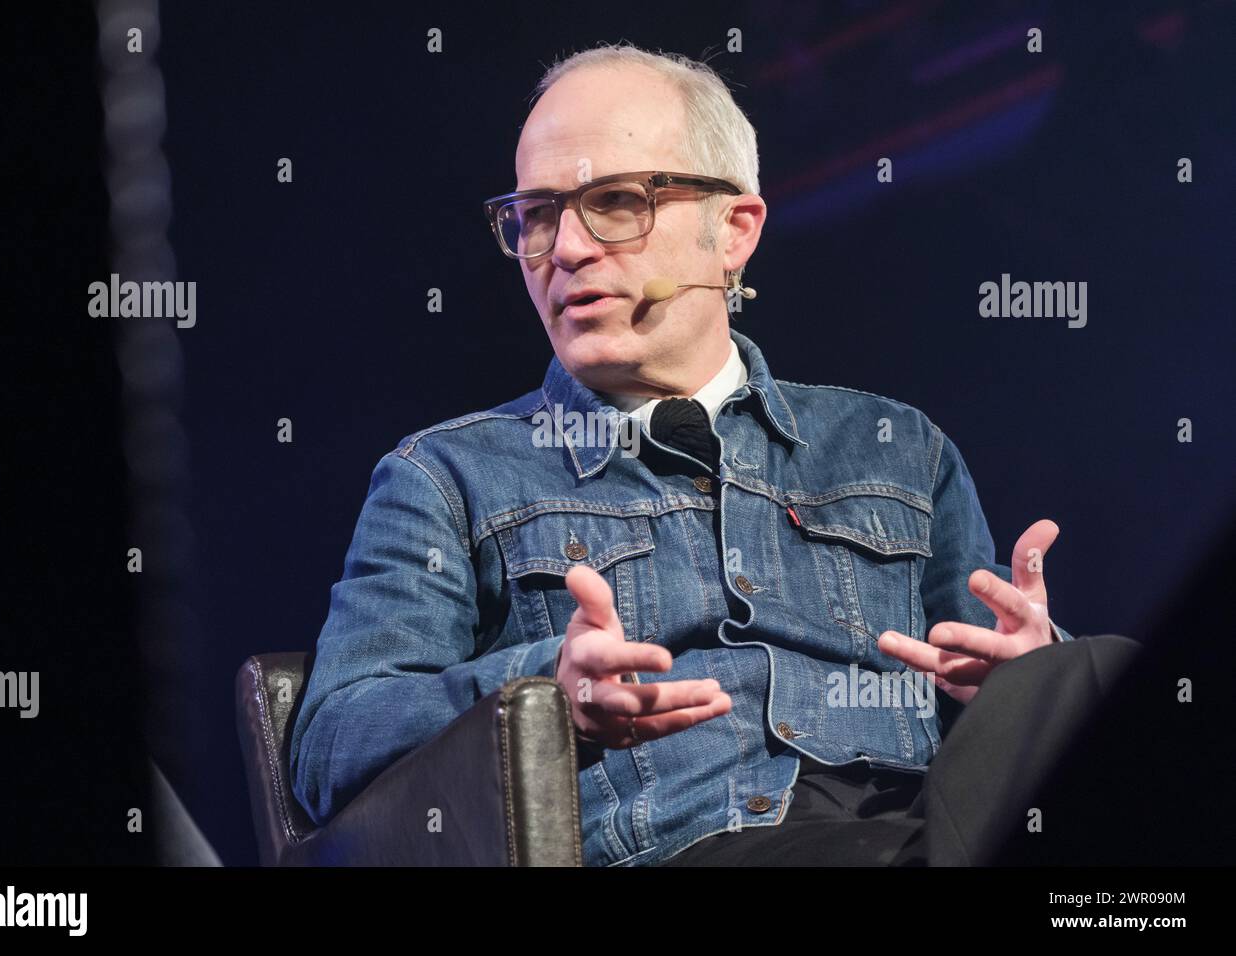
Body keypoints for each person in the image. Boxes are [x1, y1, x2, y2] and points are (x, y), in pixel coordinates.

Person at [289, 42, 1122, 867]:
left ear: (734, 231)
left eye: (614, 202)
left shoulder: (898, 448)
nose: (567, 249)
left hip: (922, 836)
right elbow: (332, 741)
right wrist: (547, 688)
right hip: (698, 848)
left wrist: (1023, 681)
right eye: (537, 216)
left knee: (1099, 676)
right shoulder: (449, 477)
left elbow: (995, 722)